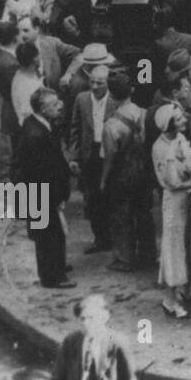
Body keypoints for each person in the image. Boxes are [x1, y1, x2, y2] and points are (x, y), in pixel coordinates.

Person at [152, 103, 191, 318]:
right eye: (180, 118)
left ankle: (188, 290)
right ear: (170, 123)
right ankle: (170, 299)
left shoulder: (180, 139)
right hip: (175, 201)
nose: (184, 120)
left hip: (190, 197)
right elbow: (171, 180)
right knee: (174, 248)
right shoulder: (160, 147)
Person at [16, 88, 73, 288]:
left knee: (51, 234)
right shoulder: (36, 135)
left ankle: (56, 267)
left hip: (39, 192)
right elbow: (43, 171)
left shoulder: (36, 125)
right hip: (41, 194)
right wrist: (57, 197)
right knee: (49, 235)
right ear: (42, 108)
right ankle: (52, 277)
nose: (60, 106)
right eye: (55, 104)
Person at [100, 74, 155, 272]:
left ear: (112, 96)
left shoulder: (111, 124)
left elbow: (110, 156)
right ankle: (148, 254)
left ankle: (125, 258)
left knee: (121, 216)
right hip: (144, 171)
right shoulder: (145, 114)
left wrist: (104, 180)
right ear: (132, 90)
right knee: (144, 213)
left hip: (122, 175)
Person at [67, 63, 116, 254]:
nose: (95, 86)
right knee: (93, 199)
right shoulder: (82, 99)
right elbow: (75, 128)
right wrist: (74, 156)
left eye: (100, 83)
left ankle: (116, 238)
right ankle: (100, 239)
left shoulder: (114, 100)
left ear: (108, 84)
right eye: (92, 82)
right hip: (90, 154)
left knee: (111, 196)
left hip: (110, 152)